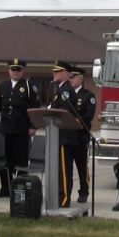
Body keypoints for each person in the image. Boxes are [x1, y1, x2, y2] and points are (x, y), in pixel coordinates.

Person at [0, 58, 39, 197]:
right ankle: (6, 189)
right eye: (13, 70)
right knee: (6, 160)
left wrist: (32, 126)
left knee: (21, 160)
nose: (15, 72)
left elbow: (35, 107)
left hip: (21, 129)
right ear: (9, 71)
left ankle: (21, 189)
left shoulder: (29, 86)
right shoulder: (3, 85)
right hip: (6, 128)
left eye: (18, 70)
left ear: (22, 71)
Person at [47, 60, 77, 207]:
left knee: (64, 170)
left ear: (65, 73)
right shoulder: (58, 89)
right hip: (57, 135)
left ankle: (64, 199)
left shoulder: (66, 90)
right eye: (54, 71)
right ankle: (58, 196)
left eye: (57, 71)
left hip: (65, 135)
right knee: (59, 169)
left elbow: (64, 112)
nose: (54, 73)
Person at [69, 66, 96, 204]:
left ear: (80, 79)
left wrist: (75, 121)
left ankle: (84, 191)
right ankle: (66, 191)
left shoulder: (88, 96)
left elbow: (88, 115)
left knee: (81, 167)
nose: (71, 80)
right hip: (67, 136)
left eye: (73, 77)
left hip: (80, 136)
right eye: (70, 77)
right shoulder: (66, 94)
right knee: (67, 167)